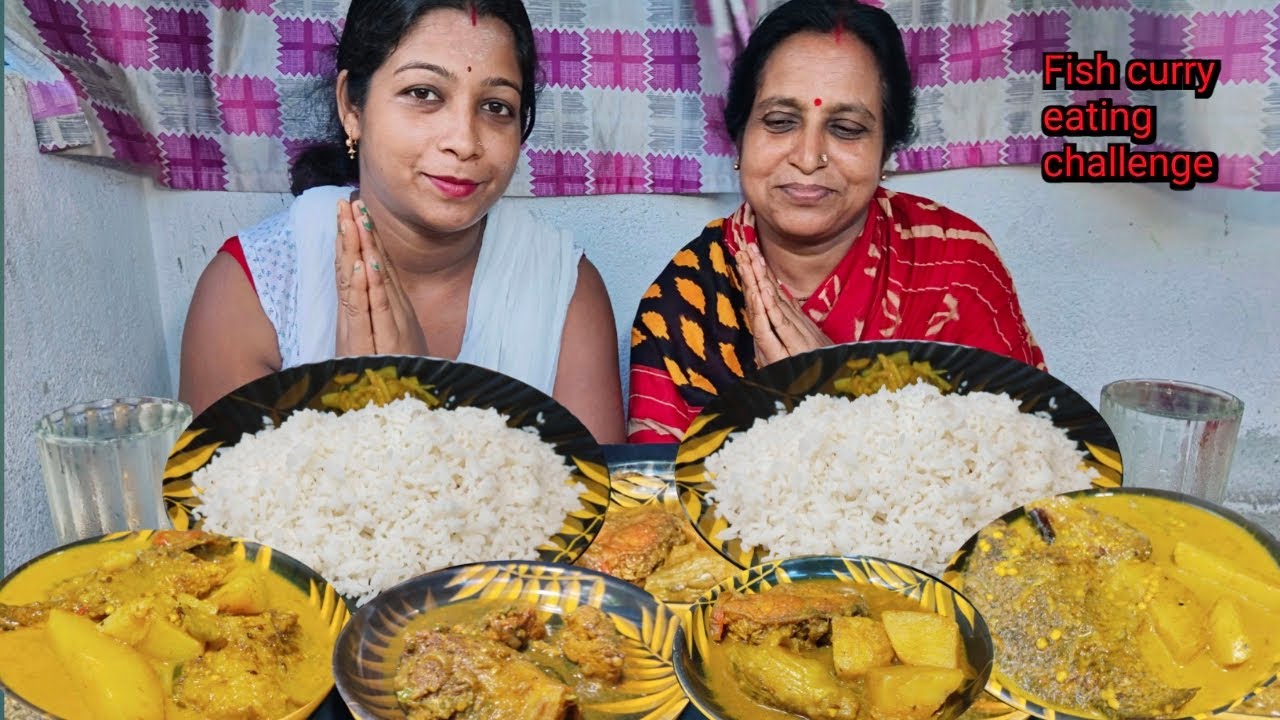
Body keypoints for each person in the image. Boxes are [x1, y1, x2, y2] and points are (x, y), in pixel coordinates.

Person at [180, 0, 625, 443]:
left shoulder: (563, 288)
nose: (464, 142)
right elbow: (224, 505)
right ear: (352, 107)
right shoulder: (255, 288)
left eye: (495, 106)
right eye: (423, 94)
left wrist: (423, 405)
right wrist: (356, 408)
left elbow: (600, 506)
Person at [627, 0, 1046, 443]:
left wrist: (834, 393)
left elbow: (1025, 468)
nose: (809, 158)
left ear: (886, 152)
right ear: (738, 139)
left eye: (846, 128)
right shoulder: (686, 301)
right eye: (779, 121)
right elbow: (661, 500)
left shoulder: (956, 265)